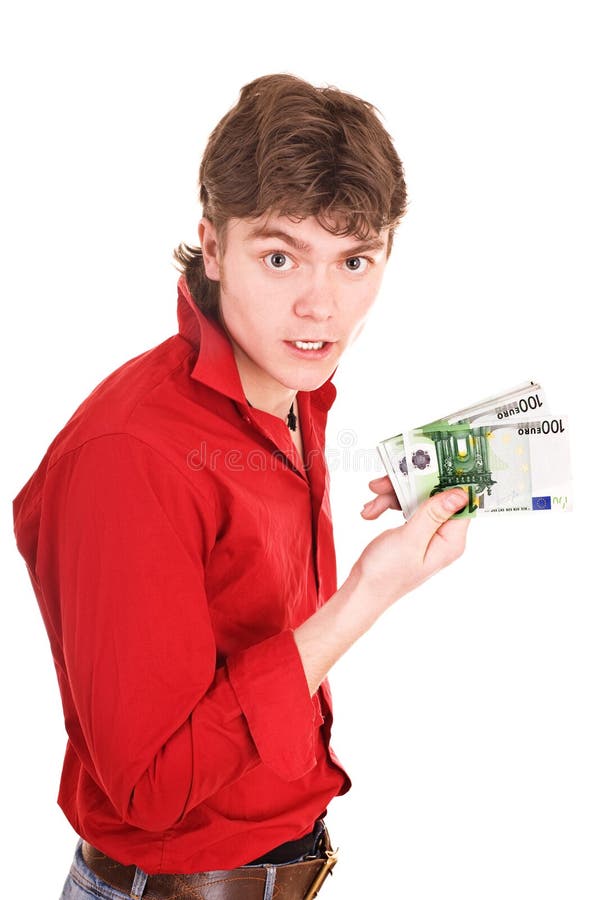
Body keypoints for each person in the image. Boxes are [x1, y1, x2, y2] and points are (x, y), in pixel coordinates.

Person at [13, 73, 469, 900]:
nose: (320, 307)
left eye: (354, 261)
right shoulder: (132, 457)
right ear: (213, 247)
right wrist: (368, 594)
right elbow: (151, 791)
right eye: (279, 256)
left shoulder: (293, 398)